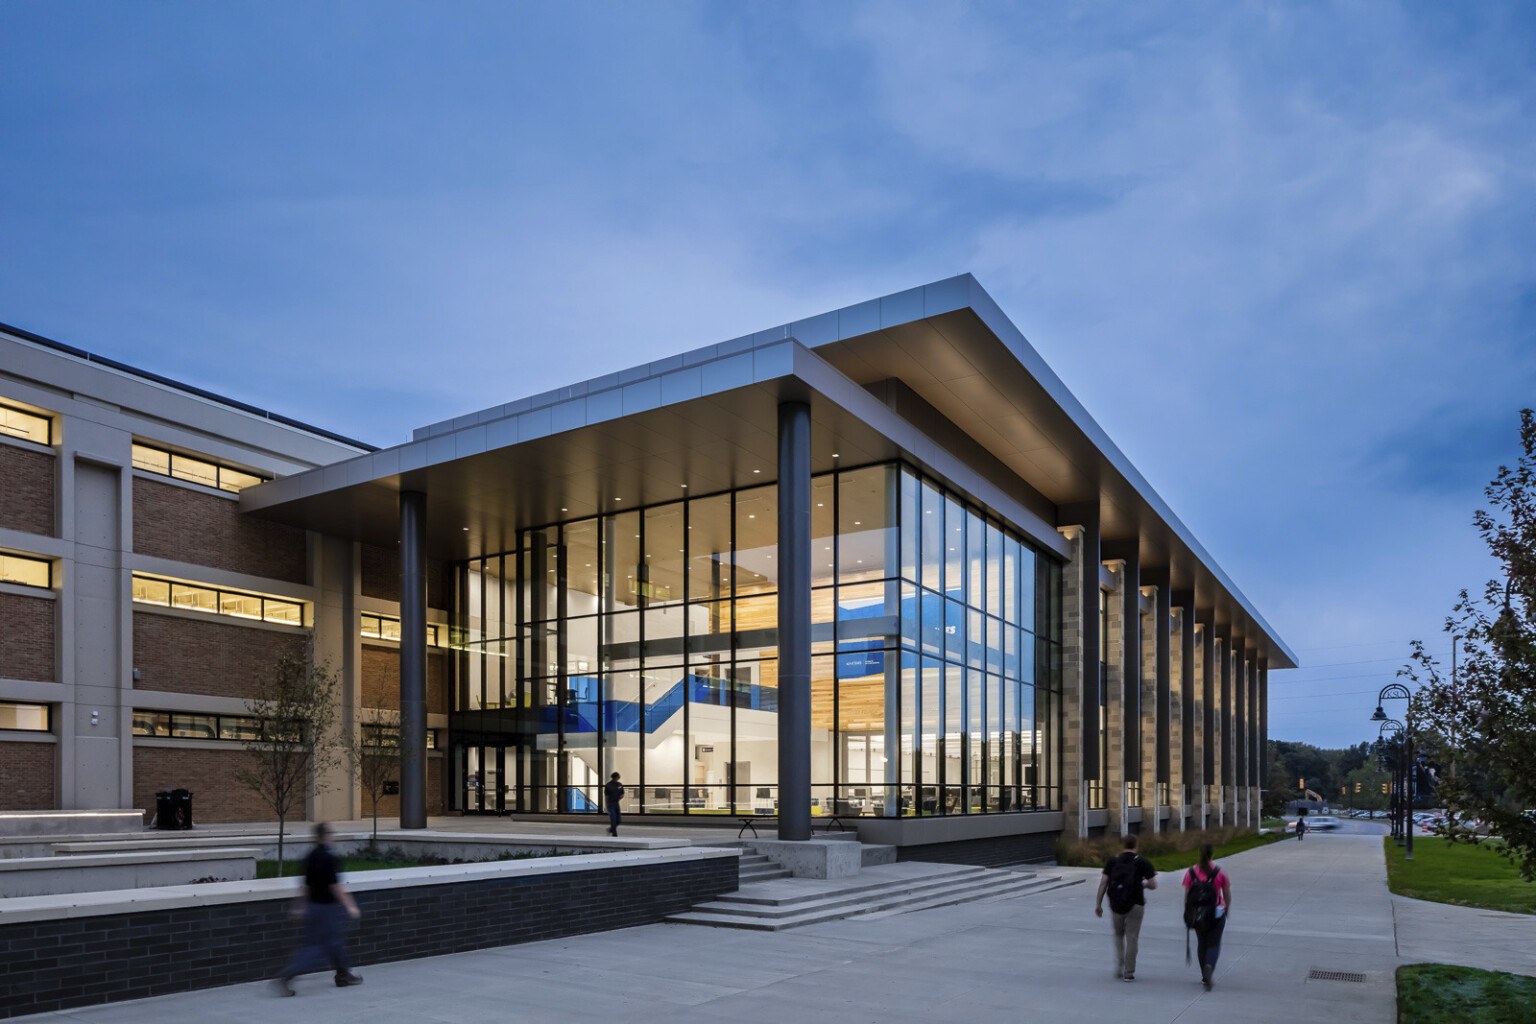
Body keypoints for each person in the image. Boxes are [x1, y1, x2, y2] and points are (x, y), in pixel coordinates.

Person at [275, 823, 362, 996]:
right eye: (331, 833)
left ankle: (343, 974)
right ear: (325, 835)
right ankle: (287, 976)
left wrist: (298, 906)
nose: (333, 836)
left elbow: (305, 886)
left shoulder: (310, 856)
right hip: (327, 909)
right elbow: (335, 886)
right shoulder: (328, 857)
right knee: (316, 947)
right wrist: (350, 905)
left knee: (333, 943)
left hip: (312, 907)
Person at [1095, 834, 1157, 981]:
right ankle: (1128, 973)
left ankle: (1120, 961)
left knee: (1118, 935)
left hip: (1116, 904)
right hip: (1135, 905)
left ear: (1123, 845)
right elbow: (1153, 884)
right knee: (1132, 938)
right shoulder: (1142, 862)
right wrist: (1144, 885)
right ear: (1136, 845)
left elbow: (1103, 883)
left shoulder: (1113, 861)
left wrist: (1098, 904)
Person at [1183, 843, 1232, 991]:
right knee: (1214, 944)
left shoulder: (1190, 873)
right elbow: (1227, 894)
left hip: (1199, 914)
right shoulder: (1220, 873)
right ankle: (1209, 966)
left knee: (1202, 943)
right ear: (1212, 854)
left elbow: (1187, 896)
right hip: (1216, 912)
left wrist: (1188, 913)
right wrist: (1227, 909)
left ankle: (1204, 976)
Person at [604, 772, 625, 836]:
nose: (619, 778)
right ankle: (614, 833)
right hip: (610, 804)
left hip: (616, 803)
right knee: (613, 819)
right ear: (616, 777)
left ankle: (611, 829)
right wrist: (606, 806)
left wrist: (620, 797)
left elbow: (622, 793)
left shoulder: (619, 785)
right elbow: (606, 796)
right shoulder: (608, 785)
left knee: (618, 820)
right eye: (618, 777)